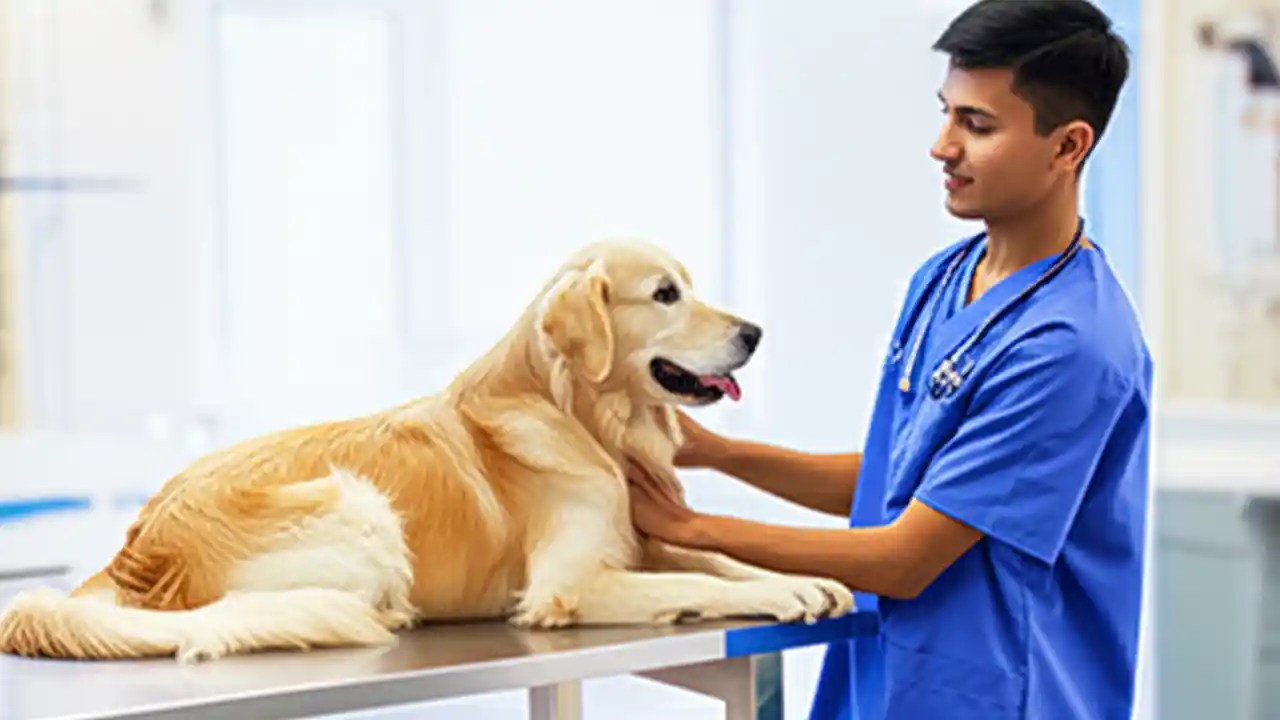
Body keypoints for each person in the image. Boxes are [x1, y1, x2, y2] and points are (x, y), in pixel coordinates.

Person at [625, 1, 1153, 718]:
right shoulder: (941, 281)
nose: (942, 146)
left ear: (1068, 147)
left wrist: (691, 529)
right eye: (947, 113)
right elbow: (896, 482)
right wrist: (719, 453)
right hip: (886, 681)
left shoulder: (1070, 347)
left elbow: (908, 557)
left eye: (977, 125)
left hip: (998, 696)